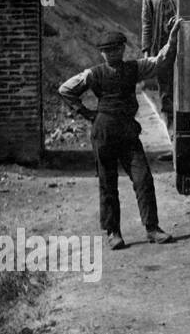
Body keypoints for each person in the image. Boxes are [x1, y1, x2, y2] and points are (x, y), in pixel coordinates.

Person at [59, 23, 181, 250]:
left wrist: (172, 38)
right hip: (103, 132)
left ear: (123, 49)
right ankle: (113, 232)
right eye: (107, 50)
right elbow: (65, 89)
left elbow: (161, 61)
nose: (112, 53)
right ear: (101, 53)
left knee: (143, 178)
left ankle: (152, 228)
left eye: (116, 49)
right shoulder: (93, 74)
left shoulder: (135, 68)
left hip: (127, 132)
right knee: (108, 183)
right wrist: (87, 113)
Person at [139, 0, 178, 135]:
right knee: (166, 94)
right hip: (162, 52)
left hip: (184, 50)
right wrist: (147, 51)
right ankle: (172, 137)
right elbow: (146, 23)